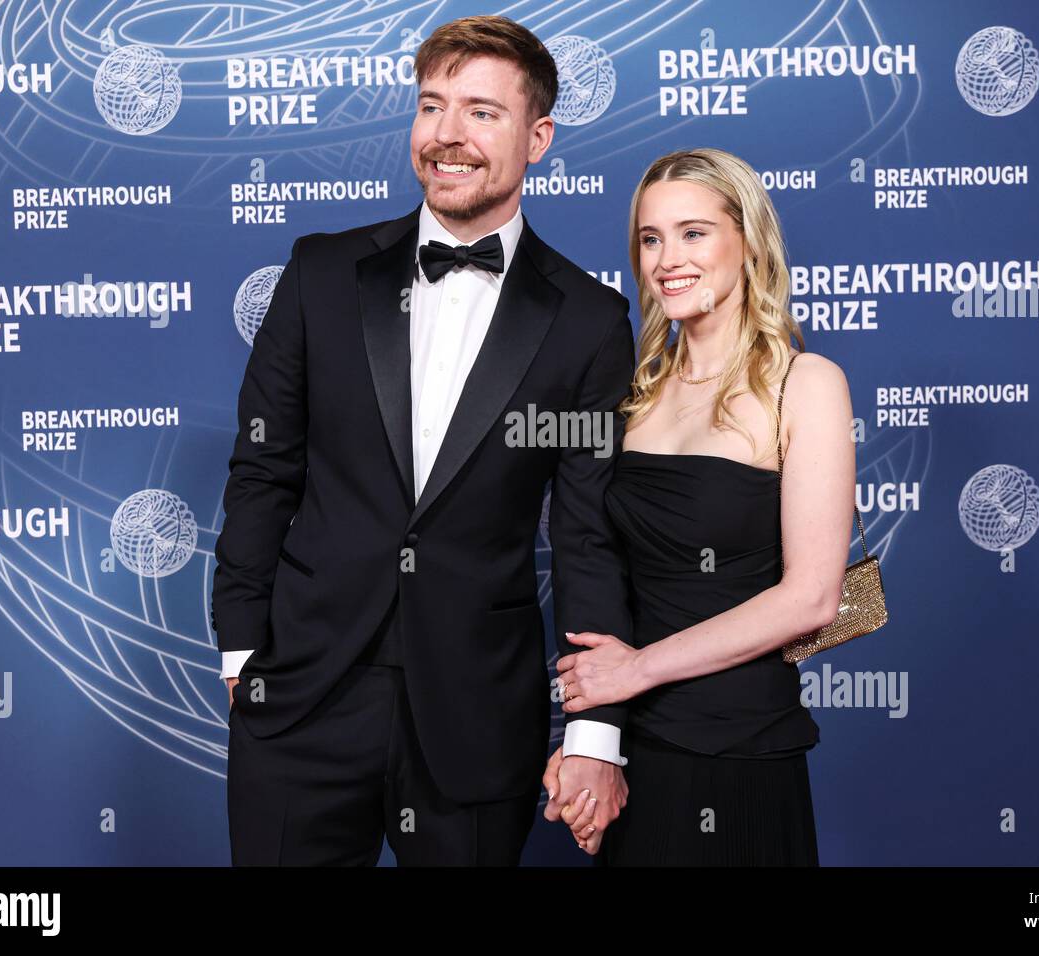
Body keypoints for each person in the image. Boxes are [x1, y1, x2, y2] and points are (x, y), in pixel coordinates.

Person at [213, 15, 635, 865]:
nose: (447, 135)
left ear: (538, 137)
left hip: (477, 712)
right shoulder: (321, 273)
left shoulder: (589, 323)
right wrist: (242, 649)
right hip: (302, 697)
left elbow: (588, 537)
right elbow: (264, 469)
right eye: (432, 107)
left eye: (481, 112)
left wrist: (595, 735)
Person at [543, 148, 857, 864]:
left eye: (693, 233)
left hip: (741, 748)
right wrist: (590, 747)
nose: (666, 259)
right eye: (650, 239)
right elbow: (594, 566)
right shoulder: (633, 394)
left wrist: (639, 668)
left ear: (747, 242)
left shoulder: (805, 384)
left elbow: (811, 599)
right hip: (634, 753)